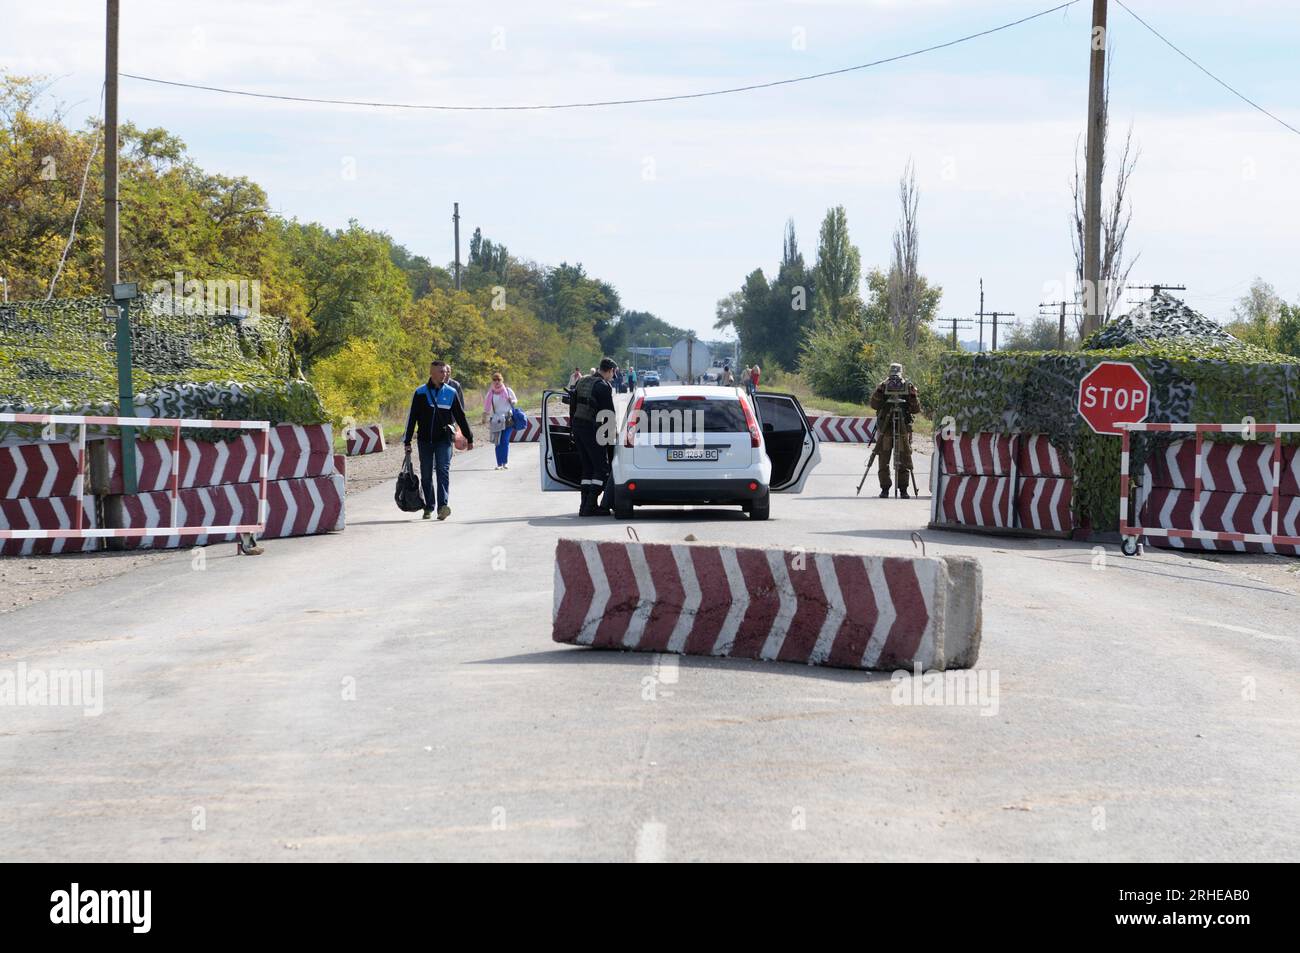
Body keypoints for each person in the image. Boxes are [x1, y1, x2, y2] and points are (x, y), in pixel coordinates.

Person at [402, 360, 475, 519]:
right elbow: (412, 418)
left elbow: (460, 417)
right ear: (432, 373)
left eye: (445, 372)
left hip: (444, 440)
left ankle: (443, 507)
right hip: (424, 441)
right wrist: (407, 440)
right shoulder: (420, 392)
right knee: (426, 474)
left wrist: (469, 437)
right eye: (441, 372)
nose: (445, 374)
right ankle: (429, 506)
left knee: (443, 471)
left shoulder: (451, 392)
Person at [568, 357, 618, 517]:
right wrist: (611, 439)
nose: (612, 377)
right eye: (613, 374)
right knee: (601, 468)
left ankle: (584, 506)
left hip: (577, 426)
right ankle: (590, 506)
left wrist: (572, 429)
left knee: (588, 467)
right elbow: (608, 414)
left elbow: (573, 406)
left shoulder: (582, 381)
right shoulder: (603, 386)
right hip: (591, 429)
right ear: (610, 371)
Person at [868, 361, 921, 499]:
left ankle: (903, 489)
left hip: (903, 428)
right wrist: (879, 391)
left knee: (904, 459)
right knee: (883, 460)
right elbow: (874, 405)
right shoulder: (883, 385)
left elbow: (916, 410)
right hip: (886, 429)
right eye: (893, 377)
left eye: (897, 377)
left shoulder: (907, 386)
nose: (895, 381)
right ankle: (885, 488)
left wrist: (913, 395)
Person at [482, 371, 518, 470]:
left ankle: (505, 462)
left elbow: (515, 401)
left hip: (507, 419)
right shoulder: (491, 393)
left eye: (499, 379)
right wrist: (484, 416)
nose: (497, 381)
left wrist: (512, 400)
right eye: (494, 380)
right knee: (498, 442)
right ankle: (499, 463)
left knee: (505, 441)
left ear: (502, 380)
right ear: (492, 381)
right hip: (496, 420)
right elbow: (486, 407)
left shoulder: (507, 390)